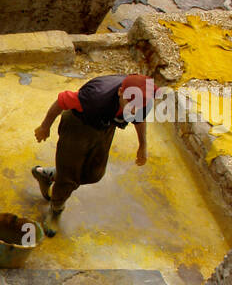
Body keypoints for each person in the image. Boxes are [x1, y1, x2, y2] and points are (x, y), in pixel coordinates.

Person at [32, 73, 153, 236]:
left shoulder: (142, 100)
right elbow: (62, 100)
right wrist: (45, 127)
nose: (133, 109)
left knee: (94, 174)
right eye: (129, 102)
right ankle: (56, 209)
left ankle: (49, 175)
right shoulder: (95, 98)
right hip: (77, 124)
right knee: (68, 178)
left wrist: (143, 145)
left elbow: (139, 119)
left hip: (104, 127)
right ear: (119, 92)